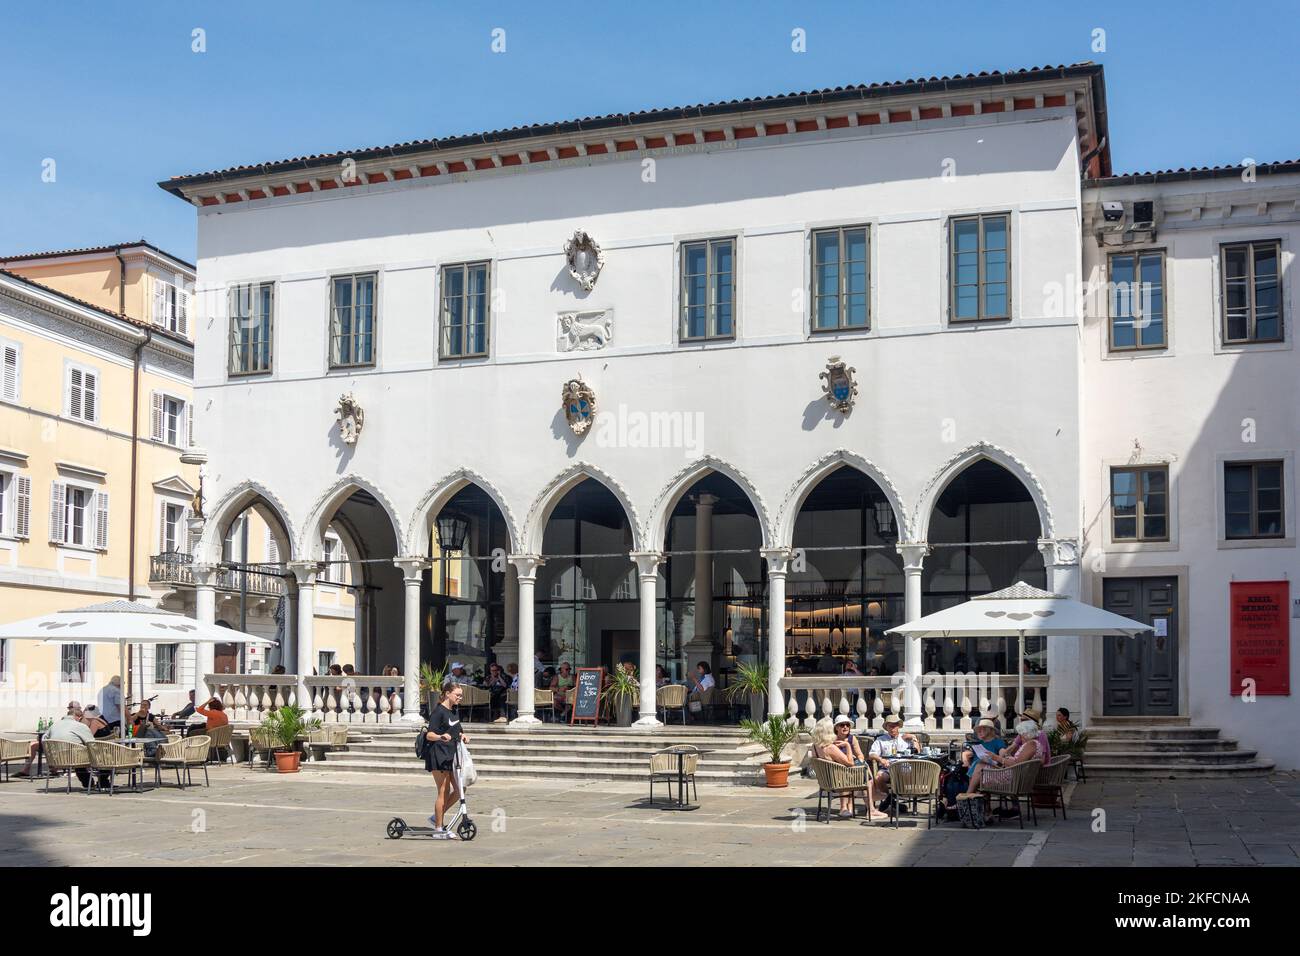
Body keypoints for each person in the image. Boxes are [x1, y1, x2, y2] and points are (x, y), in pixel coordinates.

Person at [966, 717, 1046, 820]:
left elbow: (1016, 764)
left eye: (1021, 734)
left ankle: (969, 798)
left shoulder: (1031, 744)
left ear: (1026, 734)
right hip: (1016, 776)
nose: (1020, 737)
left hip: (1013, 779)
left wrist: (996, 758)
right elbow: (1019, 762)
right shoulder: (1034, 744)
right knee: (981, 769)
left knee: (980, 769)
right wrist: (1005, 757)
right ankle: (981, 807)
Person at [423, 678, 471, 839]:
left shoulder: (454, 711)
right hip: (438, 755)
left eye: (461, 695)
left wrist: (463, 736)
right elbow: (429, 735)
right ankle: (438, 828)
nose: (460, 698)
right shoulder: (438, 712)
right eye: (457, 695)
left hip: (453, 755)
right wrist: (440, 736)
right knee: (443, 791)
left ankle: (436, 816)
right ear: (447, 694)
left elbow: (457, 729)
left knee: (460, 790)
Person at [819, 715, 885, 820]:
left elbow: (860, 755)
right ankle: (855, 806)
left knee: (864, 769)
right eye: (842, 725)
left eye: (847, 725)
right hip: (839, 769)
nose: (845, 727)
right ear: (836, 728)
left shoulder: (851, 738)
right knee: (863, 775)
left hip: (851, 767)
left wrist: (860, 761)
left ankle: (855, 806)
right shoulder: (832, 740)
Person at [943, 717, 1005, 812]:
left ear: (989, 730)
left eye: (982, 729)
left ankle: (964, 800)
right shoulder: (979, 743)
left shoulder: (998, 742)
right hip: (976, 772)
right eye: (978, 730)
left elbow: (1002, 755)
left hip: (991, 772)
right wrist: (966, 762)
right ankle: (982, 810)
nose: (979, 732)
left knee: (979, 765)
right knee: (972, 768)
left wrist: (994, 757)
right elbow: (966, 753)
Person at [869, 714, 920, 808]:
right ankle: (891, 799)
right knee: (878, 777)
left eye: (894, 726)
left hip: (904, 767)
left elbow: (918, 753)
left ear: (898, 726)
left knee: (911, 776)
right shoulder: (881, 740)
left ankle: (891, 800)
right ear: (886, 727)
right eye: (890, 726)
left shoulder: (905, 739)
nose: (892, 728)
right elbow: (871, 754)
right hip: (887, 767)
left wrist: (914, 738)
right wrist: (881, 759)